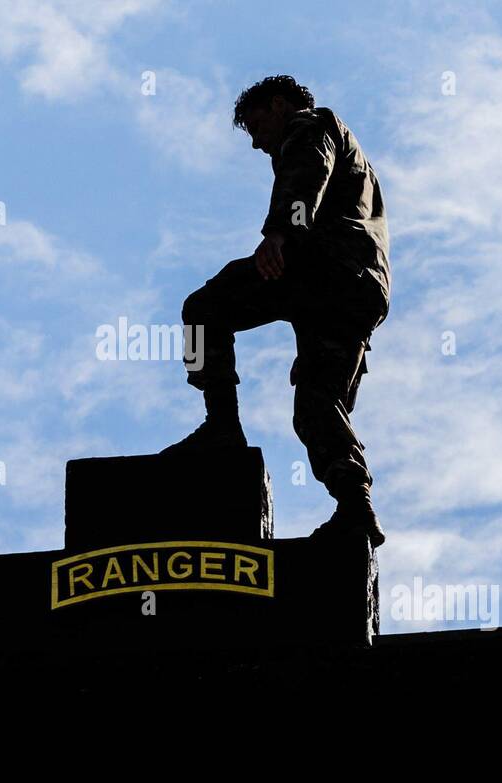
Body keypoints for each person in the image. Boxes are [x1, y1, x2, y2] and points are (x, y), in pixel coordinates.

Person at [161, 75, 392, 548]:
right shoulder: (353, 156)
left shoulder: (312, 126)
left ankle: (221, 427)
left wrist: (281, 233)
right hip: (359, 291)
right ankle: (356, 506)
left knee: (204, 308)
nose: (256, 142)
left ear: (280, 104)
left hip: (323, 265)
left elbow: (308, 171)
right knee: (316, 402)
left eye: (256, 124)